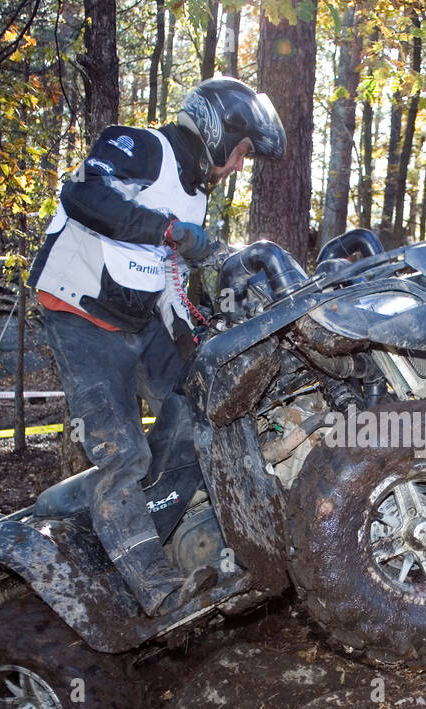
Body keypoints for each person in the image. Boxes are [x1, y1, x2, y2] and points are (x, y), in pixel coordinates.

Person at [27, 75, 285, 616]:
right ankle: (155, 590)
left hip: (139, 320)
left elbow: (164, 276)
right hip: (80, 315)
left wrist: (195, 333)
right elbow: (83, 195)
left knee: (206, 405)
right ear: (218, 130)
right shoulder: (142, 147)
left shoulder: (194, 196)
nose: (238, 166)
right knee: (122, 452)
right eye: (240, 153)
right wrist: (168, 230)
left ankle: (172, 521)